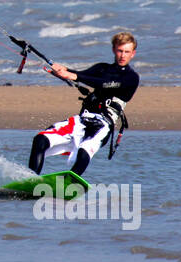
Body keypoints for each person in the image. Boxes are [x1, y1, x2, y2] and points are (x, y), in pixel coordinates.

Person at [28, 32, 139, 177]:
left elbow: (105, 84)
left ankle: (69, 183)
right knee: (40, 140)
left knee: (84, 150)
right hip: (82, 120)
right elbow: (81, 75)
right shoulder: (101, 68)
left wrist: (73, 75)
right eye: (120, 50)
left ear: (133, 54)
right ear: (113, 50)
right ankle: (29, 181)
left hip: (103, 125)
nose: (122, 55)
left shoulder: (132, 77)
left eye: (127, 52)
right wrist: (63, 70)